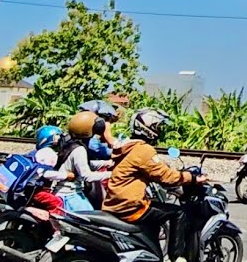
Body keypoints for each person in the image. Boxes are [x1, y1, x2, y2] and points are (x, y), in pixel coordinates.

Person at [102, 108, 204, 258]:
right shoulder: (144, 150)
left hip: (115, 202)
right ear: (147, 129)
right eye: (156, 127)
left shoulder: (128, 145)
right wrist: (193, 178)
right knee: (178, 213)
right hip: (129, 206)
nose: (159, 130)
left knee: (156, 214)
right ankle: (177, 258)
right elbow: (166, 176)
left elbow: (153, 169)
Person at [52, 111, 113, 210]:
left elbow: (84, 163)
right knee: (91, 222)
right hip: (70, 195)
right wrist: (112, 174)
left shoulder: (70, 144)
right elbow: (87, 176)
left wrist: (107, 163)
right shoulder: (79, 150)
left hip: (65, 193)